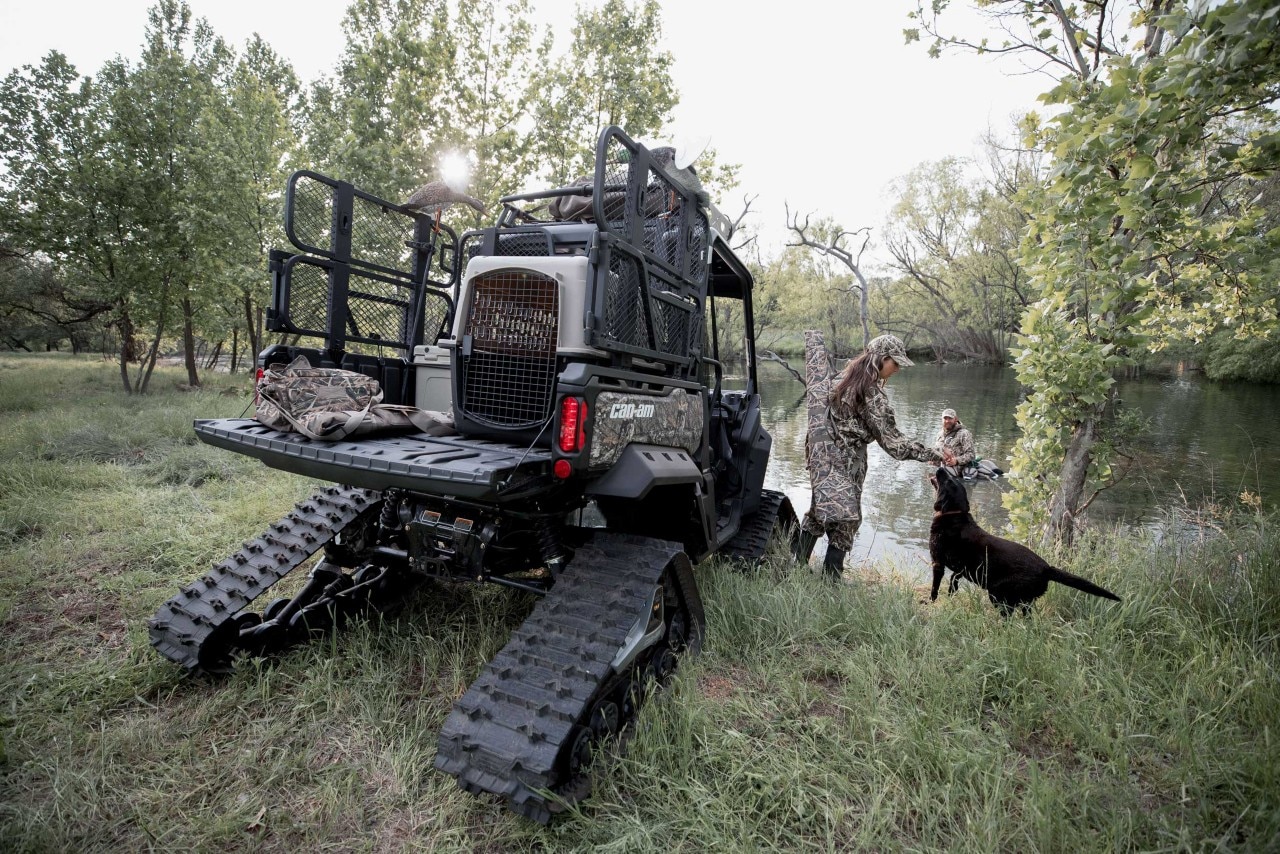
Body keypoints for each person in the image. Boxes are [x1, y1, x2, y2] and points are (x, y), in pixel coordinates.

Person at [794, 331, 944, 580]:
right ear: (882, 359)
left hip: (821, 458)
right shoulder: (870, 393)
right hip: (846, 462)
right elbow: (894, 444)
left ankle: (795, 565)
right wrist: (934, 454)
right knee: (847, 521)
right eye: (895, 363)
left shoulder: (840, 379)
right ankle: (831, 580)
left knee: (820, 511)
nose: (897, 369)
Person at [935, 408, 976, 473]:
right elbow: (937, 450)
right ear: (942, 420)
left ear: (955, 419)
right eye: (945, 418)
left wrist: (956, 460)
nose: (947, 421)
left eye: (950, 418)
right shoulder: (940, 434)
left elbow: (971, 454)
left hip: (958, 468)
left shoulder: (964, 433)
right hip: (942, 467)